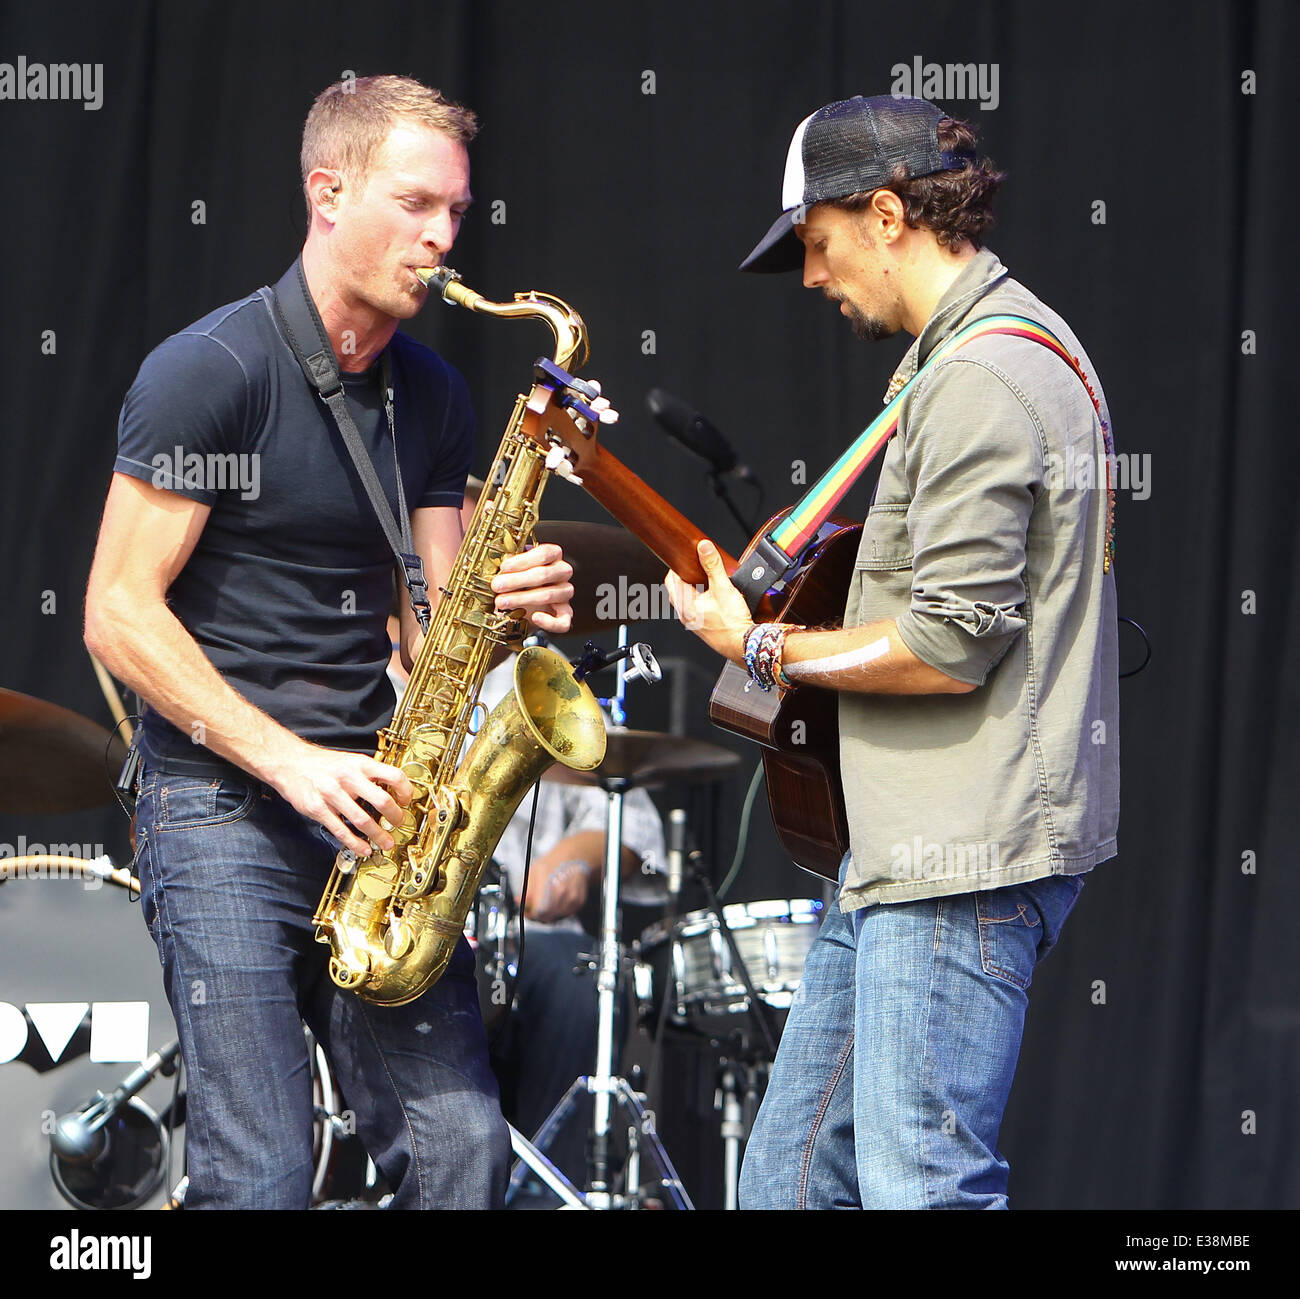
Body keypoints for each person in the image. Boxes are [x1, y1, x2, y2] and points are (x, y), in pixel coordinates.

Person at [83, 74, 589, 1210]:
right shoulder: (210, 371)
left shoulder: (435, 394)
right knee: (260, 1174)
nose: (443, 237)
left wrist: (503, 607)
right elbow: (115, 608)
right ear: (327, 193)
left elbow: (434, 622)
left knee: (463, 1151)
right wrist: (293, 763)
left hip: (374, 814)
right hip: (220, 803)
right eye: (416, 205)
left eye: (455, 212)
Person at [666, 95, 1119, 1209]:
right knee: (784, 1188)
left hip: (956, 860)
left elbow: (948, 645)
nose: (811, 276)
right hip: (900, 854)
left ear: (884, 214)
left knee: (921, 1189)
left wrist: (758, 645)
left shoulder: (979, 378)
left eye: (817, 243)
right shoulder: (966, 357)